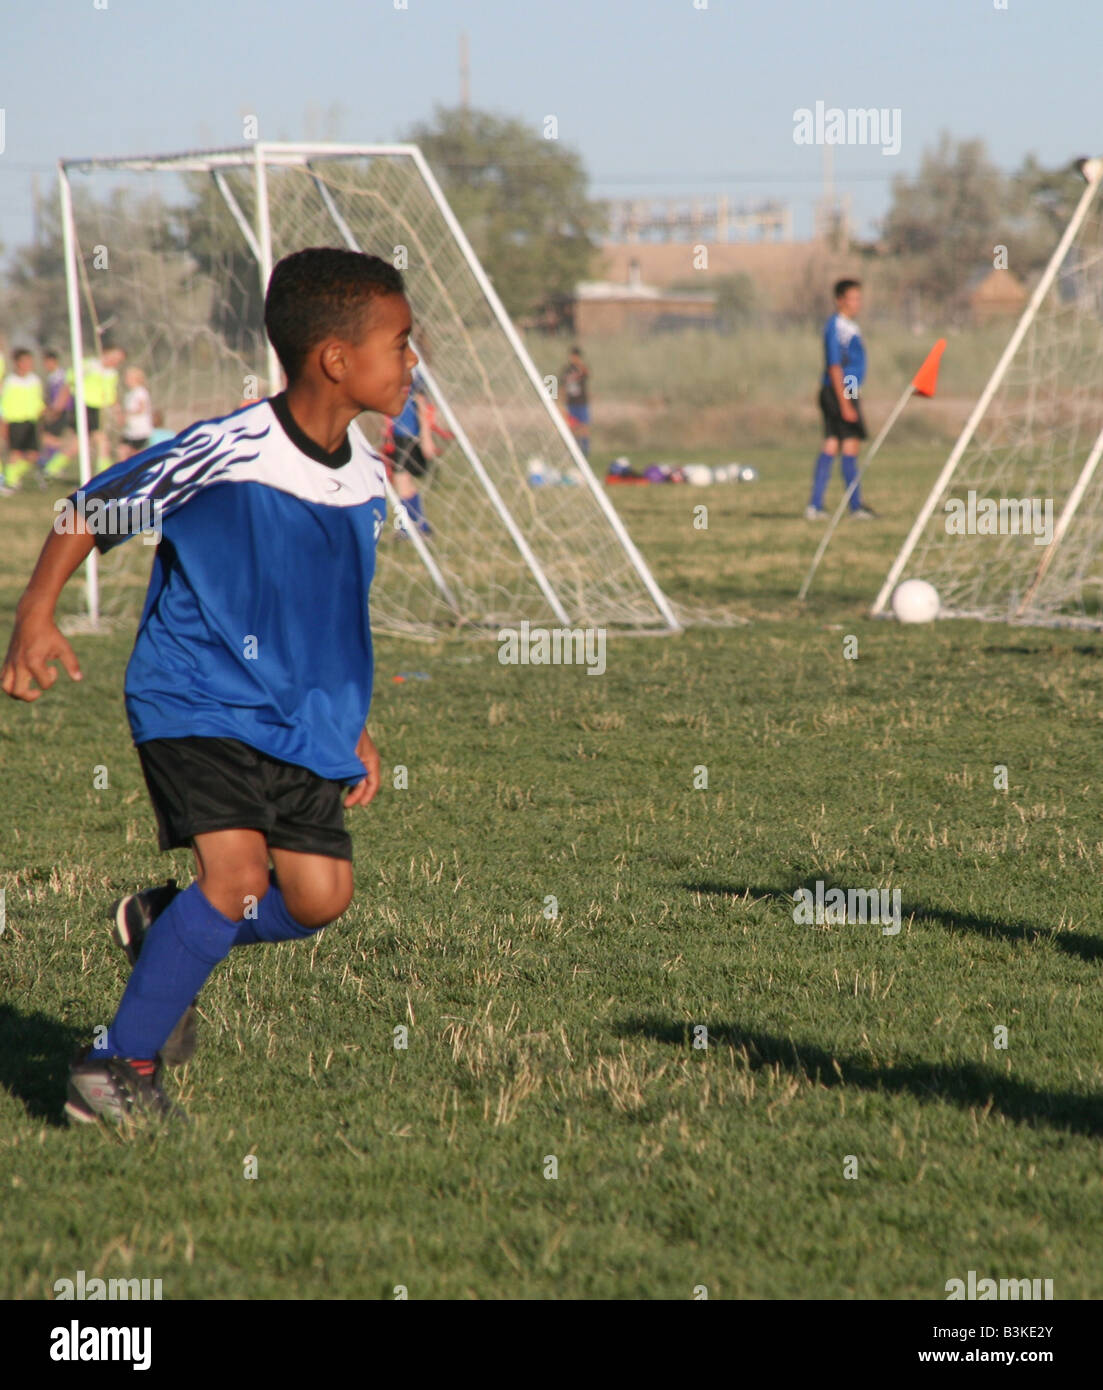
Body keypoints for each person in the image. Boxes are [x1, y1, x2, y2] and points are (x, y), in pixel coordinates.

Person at [1, 247, 413, 1126]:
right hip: (195, 696)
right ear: (336, 359)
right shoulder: (228, 451)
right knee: (234, 877)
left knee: (319, 899)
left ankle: (165, 928)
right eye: (401, 343)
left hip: (299, 717)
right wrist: (36, 613)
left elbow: (329, 616)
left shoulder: (368, 479)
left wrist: (353, 722)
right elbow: (91, 508)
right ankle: (115, 1066)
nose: (413, 361)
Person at [806, 279, 875, 521]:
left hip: (849, 388)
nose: (857, 303)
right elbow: (835, 366)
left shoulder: (850, 326)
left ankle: (816, 506)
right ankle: (855, 507)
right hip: (840, 390)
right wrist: (846, 402)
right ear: (839, 300)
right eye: (852, 298)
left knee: (833, 443)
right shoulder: (836, 326)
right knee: (850, 444)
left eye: (859, 298)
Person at [383, 366, 451, 536]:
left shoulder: (411, 370)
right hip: (399, 433)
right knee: (404, 481)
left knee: (401, 481)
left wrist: (426, 437)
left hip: (408, 434)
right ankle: (419, 525)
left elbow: (422, 404)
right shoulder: (397, 367)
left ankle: (406, 527)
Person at [0, 348, 46, 493]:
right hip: (15, 420)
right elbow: (4, 403)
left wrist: (42, 410)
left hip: (31, 421)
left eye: (30, 362)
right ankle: (10, 482)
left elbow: (38, 399)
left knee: (33, 455)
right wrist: (3, 421)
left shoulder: (35, 380)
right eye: (25, 362)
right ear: (17, 363)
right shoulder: (10, 381)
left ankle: (11, 475)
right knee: (16, 453)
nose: (28, 365)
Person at [39, 350, 78, 480]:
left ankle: (55, 462)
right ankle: (52, 464)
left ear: (53, 361)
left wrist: (56, 410)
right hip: (56, 410)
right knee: (48, 437)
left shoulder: (60, 376)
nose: (45, 365)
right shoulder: (52, 376)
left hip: (62, 411)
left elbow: (64, 393)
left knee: (47, 437)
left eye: (47, 362)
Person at [560, 345, 591, 458]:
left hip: (581, 402)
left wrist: (579, 365)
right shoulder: (567, 370)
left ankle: (585, 449)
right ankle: (573, 449)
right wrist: (561, 400)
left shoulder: (582, 368)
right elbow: (562, 385)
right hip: (571, 403)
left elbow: (587, 373)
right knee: (572, 427)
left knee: (584, 426)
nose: (573, 359)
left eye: (576, 357)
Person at [119, 366, 153, 458]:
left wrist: (127, 414)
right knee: (122, 451)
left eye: (128, 377)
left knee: (136, 456)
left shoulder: (141, 391)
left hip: (140, 430)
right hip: (129, 430)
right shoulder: (129, 394)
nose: (126, 379)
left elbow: (142, 408)